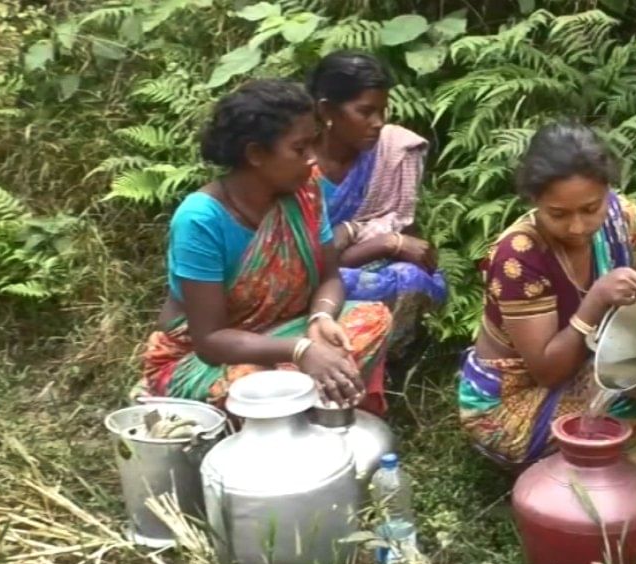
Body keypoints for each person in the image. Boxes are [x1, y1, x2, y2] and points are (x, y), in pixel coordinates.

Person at [457, 121, 636, 494]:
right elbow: (547, 371)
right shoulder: (521, 257)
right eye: (558, 214)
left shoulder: (617, 217)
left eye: (590, 208)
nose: (578, 227)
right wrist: (595, 300)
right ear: (534, 201)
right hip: (511, 403)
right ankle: (617, 504)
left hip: (582, 366)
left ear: (606, 192)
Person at [140, 79, 392, 413]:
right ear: (256, 154)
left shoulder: (305, 192)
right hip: (209, 357)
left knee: (371, 319)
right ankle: (301, 407)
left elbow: (330, 275)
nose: (313, 159)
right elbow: (210, 342)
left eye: (314, 144)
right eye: (300, 149)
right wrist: (300, 351)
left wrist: (320, 318)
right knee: (252, 383)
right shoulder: (200, 219)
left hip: (287, 333)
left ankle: (313, 405)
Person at [307, 51, 445, 354]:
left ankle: (388, 359)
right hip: (315, 280)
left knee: (413, 276)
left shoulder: (392, 151)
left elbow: (410, 236)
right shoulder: (296, 166)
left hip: (369, 268)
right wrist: (383, 243)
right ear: (327, 110)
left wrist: (389, 242)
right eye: (365, 112)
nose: (378, 123)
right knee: (339, 281)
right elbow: (304, 263)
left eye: (383, 111)